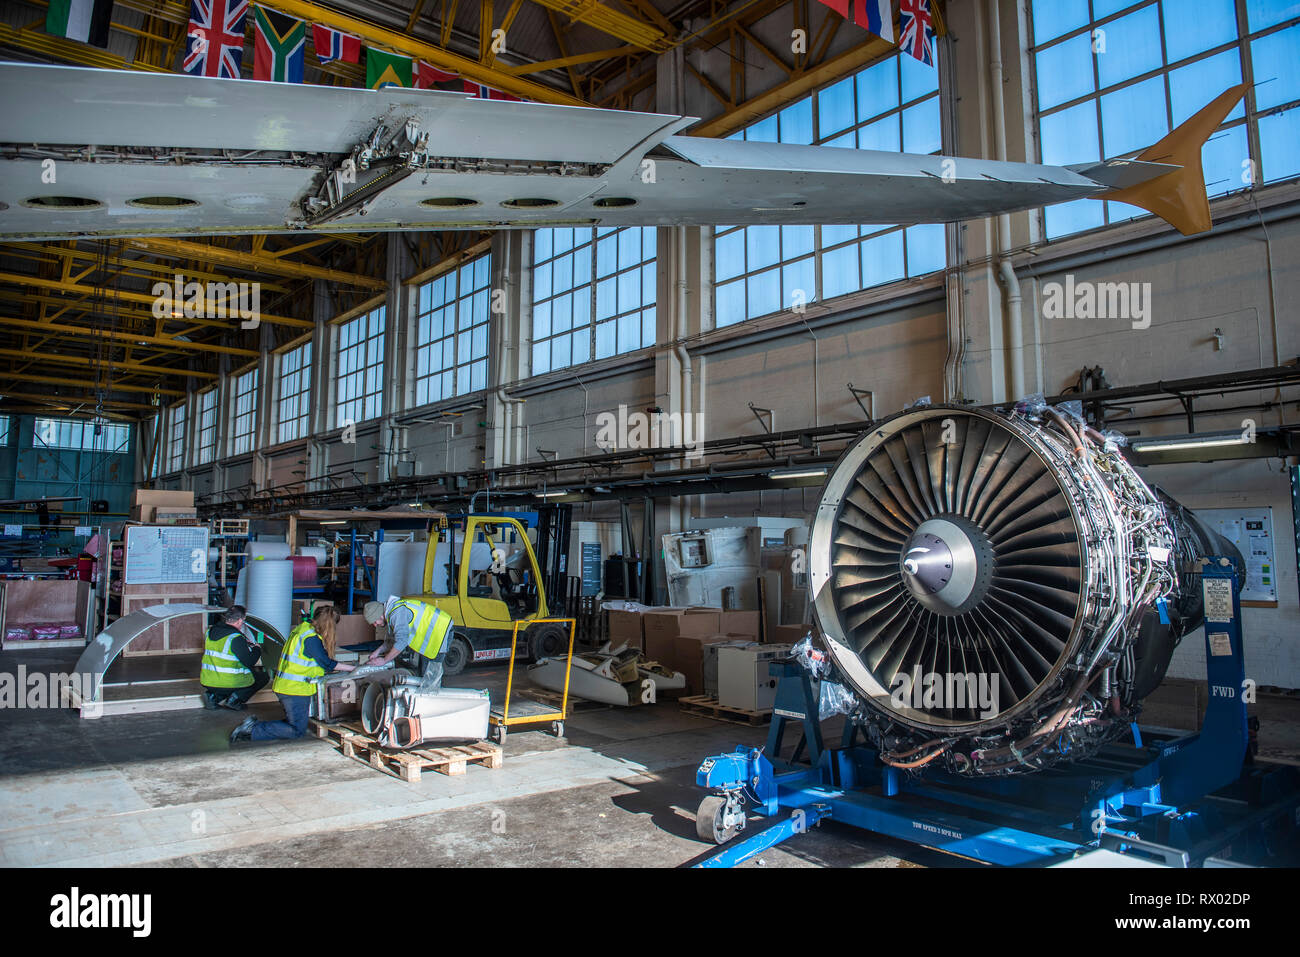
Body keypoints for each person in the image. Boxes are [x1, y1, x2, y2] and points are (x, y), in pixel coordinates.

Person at [229, 605, 354, 743]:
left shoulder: (302, 630)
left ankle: (253, 727)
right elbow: (326, 663)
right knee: (297, 730)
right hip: (294, 690)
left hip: (287, 686)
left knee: (296, 721)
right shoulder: (311, 639)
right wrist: (352, 669)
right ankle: (252, 730)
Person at [362, 596, 455, 691]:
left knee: (430, 676)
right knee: (424, 673)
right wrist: (377, 652)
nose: (375, 625)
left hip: (440, 632)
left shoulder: (396, 614)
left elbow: (401, 641)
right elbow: (392, 640)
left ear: (380, 615)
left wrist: (384, 660)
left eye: (374, 622)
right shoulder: (391, 612)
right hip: (433, 634)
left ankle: (431, 699)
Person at [200, 605, 268, 711]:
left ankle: (212, 697)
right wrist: (257, 649)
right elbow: (250, 661)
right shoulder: (235, 638)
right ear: (240, 620)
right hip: (228, 681)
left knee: (223, 684)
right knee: (262, 677)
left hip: (208, 680)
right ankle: (235, 700)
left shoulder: (210, 632)